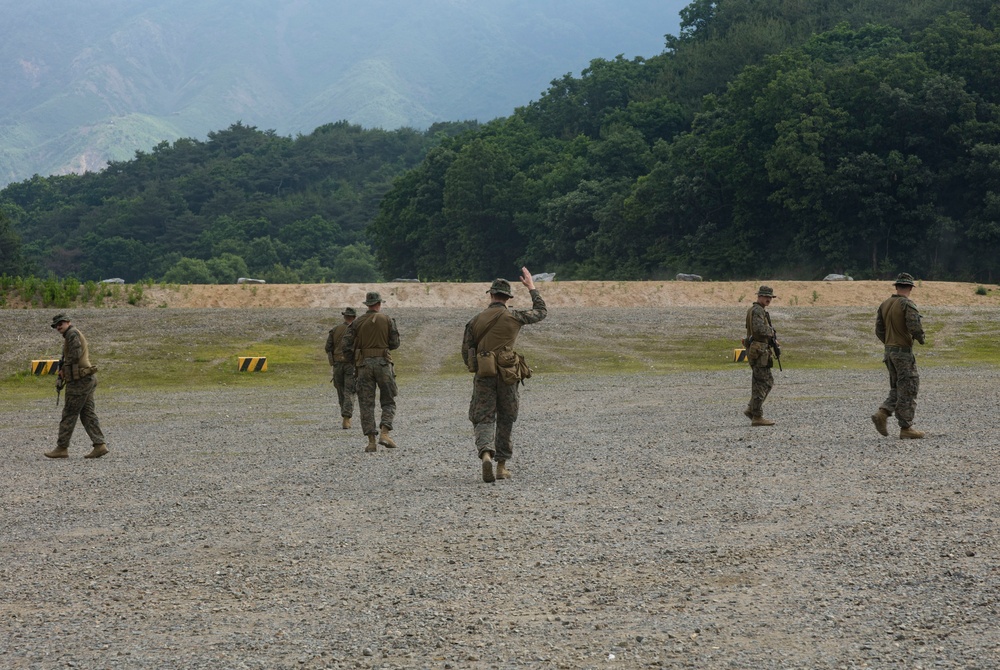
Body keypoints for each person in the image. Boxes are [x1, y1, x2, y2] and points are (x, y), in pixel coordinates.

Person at [462, 267, 547, 483]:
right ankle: (501, 466)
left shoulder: (475, 321)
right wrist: (531, 287)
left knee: (483, 416)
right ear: (508, 298)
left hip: (485, 374)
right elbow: (541, 311)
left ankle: (486, 453)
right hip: (508, 374)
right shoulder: (514, 316)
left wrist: (479, 365)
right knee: (506, 417)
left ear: (491, 295)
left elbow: (466, 352)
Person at [342, 292, 400, 452]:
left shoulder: (357, 322)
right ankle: (385, 433)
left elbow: (345, 344)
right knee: (388, 399)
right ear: (379, 304)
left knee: (366, 403)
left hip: (364, 365)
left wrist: (354, 360)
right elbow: (395, 343)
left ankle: (371, 441)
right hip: (383, 364)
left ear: (367, 304)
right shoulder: (387, 320)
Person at [45, 314, 108, 459]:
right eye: (56, 325)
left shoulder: (72, 334)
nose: (58, 327)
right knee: (87, 413)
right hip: (86, 378)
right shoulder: (71, 334)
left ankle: (62, 447)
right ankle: (99, 445)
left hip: (80, 381)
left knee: (69, 413)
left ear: (68, 322)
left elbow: (75, 355)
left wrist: (64, 370)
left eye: (60, 323)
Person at [872, 272, 925, 439]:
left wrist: (889, 342)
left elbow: (879, 330)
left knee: (897, 386)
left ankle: (883, 412)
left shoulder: (884, 304)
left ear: (896, 286)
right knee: (909, 387)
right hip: (903, 352)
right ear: (910, 287)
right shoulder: (907, 304)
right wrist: (920, 338)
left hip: (889, 352)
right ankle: (906, 427)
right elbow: (914, 326)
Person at [743, 286, 779, 426]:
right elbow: (758, 329)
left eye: (770, 297)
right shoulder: (758, 310)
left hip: (758, 350)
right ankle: (756, 415)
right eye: (766, 296)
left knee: (764, 381)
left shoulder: (756, 310)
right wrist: (771, 332)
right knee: (762, 383)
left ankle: (752, 409)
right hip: (759, 352)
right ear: (759, 296)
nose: (768, 299)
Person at [325, 307, 357, 429]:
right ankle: (346, 418)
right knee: (350, 391)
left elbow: (328, 347)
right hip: (351, 364)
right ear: (354, 317)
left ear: (344, 316)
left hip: (337, 365)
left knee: (341, 391)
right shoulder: (356, 330)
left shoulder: (335, 330)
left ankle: (344, 415)